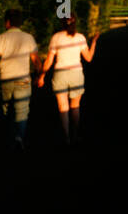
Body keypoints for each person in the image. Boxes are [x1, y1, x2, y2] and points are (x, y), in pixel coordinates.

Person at [0, 9, 42, 150]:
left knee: (6, 109)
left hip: (6, 80)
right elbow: (36, 61)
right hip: (23, 80)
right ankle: (19, 139)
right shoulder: (28, 38)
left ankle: (9, 139)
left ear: (7, 22)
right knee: (22, 110)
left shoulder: (0, 38)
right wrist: (40, 75)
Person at [38, 15, 99, 143]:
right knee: (75, 106)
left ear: (62, 23)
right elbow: (88, 58)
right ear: (75, 23)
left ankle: (66, 138)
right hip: (76, 74)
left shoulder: (56, 37)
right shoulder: (80, 37)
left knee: (62, 106)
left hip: (60, 74)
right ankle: (75, 135)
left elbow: (49, 60)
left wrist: (42, 76)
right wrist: (94, 43)